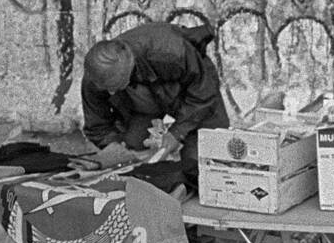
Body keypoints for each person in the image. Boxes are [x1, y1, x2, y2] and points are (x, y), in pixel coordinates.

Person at [81, 21, 230, 192]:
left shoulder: (170, 52)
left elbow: (204, 95)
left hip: (197, 95)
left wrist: (176, 133)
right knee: (132, 159)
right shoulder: (95, 78)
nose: (111, 93)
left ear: (128, 70)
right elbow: (97, 125)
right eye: (106, 88)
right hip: (143, 103)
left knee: (202, 164)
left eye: (115, 86)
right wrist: (115, 147)